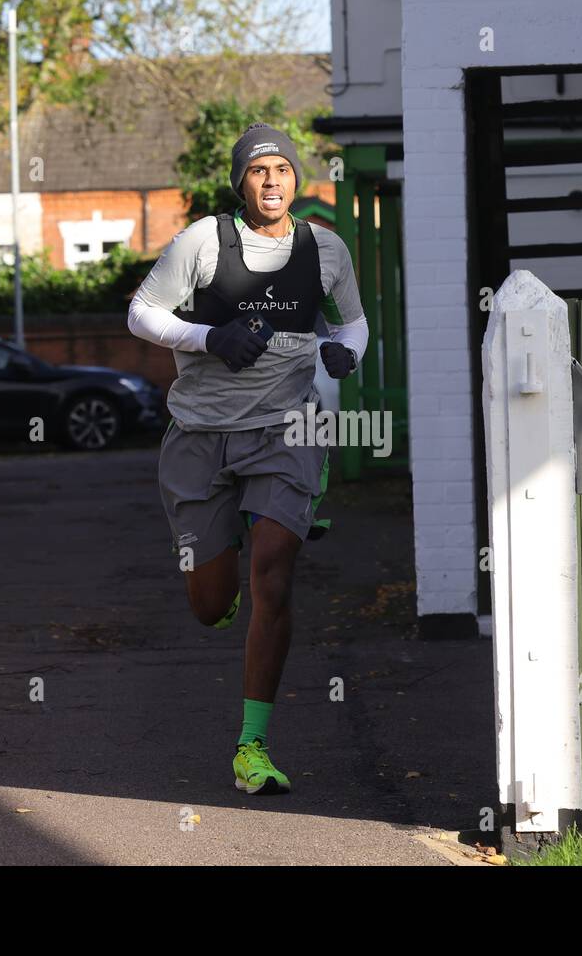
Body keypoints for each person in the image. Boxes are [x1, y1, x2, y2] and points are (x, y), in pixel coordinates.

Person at [127, 123, 368, 795]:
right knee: (210, 603)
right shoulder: (203, 242)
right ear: (242, 182)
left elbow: (351, 320)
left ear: (297, 180)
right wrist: (208, 337)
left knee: (274, 575)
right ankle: (227, 540)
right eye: (259, 171)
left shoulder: (324, 249)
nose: (271, 182)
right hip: (201, 434)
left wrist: (350, 351)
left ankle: (251, 744)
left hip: (284, 429)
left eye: (282, 171)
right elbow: (142, 313)